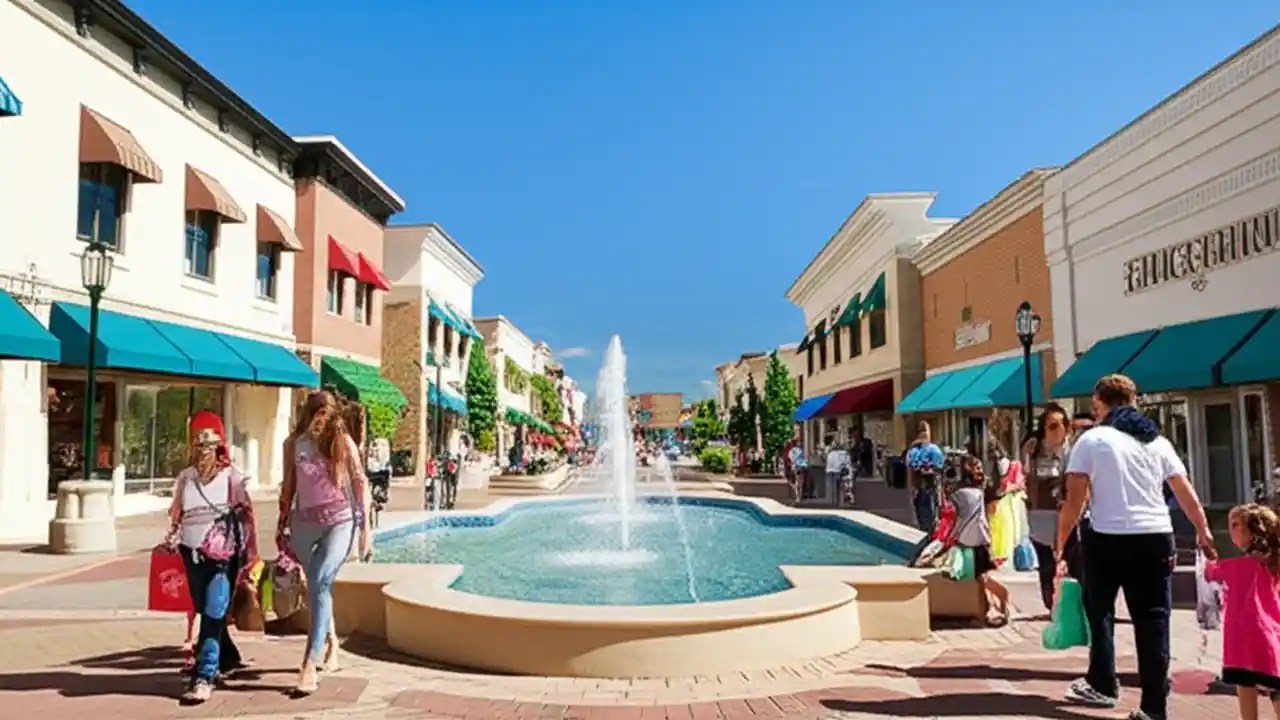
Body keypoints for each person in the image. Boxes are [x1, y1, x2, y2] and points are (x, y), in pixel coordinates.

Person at [1056, 374, 1215, 720]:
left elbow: (1075, 501)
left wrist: (1061, 542)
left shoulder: (1092, 440)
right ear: (1134, 401)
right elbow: (1184, 491)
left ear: (1099, 403)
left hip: (1107, 537)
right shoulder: (1157, 441)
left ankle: (1102, 682)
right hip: (1157, 535)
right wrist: (1203, 530)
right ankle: (1153, 707)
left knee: (1100, 611)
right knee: (1154, 619)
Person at [277, 391, 373, 696]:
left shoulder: (343, 443)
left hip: (339, 522)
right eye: (316, 413)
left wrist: (364, 529)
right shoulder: (295, 444)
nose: (320, 420)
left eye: (326, 415)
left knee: (319, 580)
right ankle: (331, 643)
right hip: (303, 523)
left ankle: (309, 663)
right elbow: (289, 483)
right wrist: (282, 520)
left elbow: (360, 482)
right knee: (319, 587)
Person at [164, 411, 258, 704]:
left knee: (215, 608)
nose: (203, 450)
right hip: (191, 555)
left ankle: (204, 675)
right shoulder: (186, 479)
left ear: (219, 446)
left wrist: (250, 556)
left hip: (222, 557)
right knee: (205, 609)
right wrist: (172, 537)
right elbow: (176, 515)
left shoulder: (233, 478)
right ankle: (224, 656)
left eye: (209, 444)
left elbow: (248, 517)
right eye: (198, 444)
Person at [1203, 503, 1280, 720]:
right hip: (1271, 632)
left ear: (1253, 531)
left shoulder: (1238, 566)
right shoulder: (1272, 562)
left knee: (1246, 685)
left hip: (1243, 635)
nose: (1230, 529)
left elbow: (1209, 573)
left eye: (1235, 524)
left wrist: (1205, 548)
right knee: (1274, 685)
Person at [951, 454, 1009, 626]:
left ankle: (1001, 598)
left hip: (971, 537)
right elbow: (992, 510)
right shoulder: (984, 488)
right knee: (979, 577)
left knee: (981, 576)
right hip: (981, 535)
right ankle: (984, 612)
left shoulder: (959, 490)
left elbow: (954, 513)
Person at [907, 422, 945, 534]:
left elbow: (910, 472)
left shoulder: (912, 451)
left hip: (918, 488)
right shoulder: (934, 449)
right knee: (934, 519)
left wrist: (911, 489)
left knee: (922, 521)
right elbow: (940, 469)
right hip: (932, 487)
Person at [824, 443, 851, 507]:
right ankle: (840, 502)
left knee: (832, 487)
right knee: (840, 487)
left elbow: (828, 462)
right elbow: (846, 462)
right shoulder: (844, 454)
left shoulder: (830, 454)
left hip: (830, 471)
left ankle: (832, 501)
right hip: (838, 471)